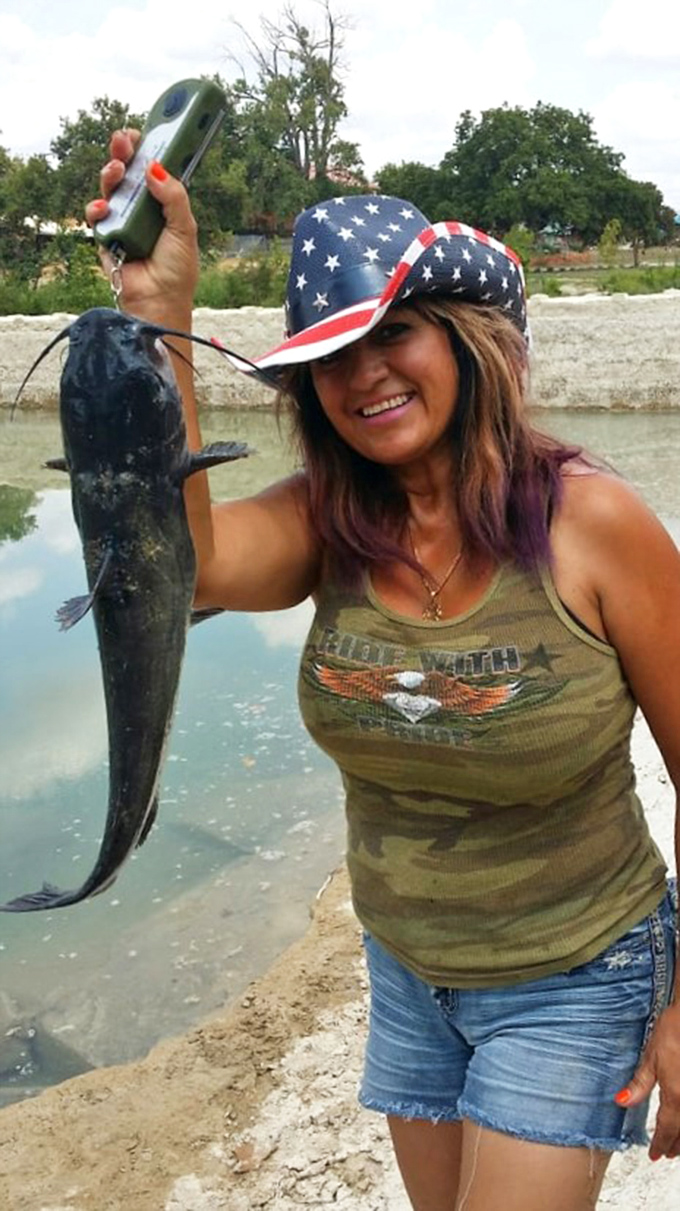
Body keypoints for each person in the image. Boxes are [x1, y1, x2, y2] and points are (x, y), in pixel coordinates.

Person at [87, 134, 680, 1211]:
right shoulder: (328, 519)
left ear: (464, 339)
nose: (360, 375)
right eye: (328, 355)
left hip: (576, 969)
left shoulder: (594, 523)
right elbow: (191, 565)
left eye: (391, 333)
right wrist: (159, 309)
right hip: (407, 965)